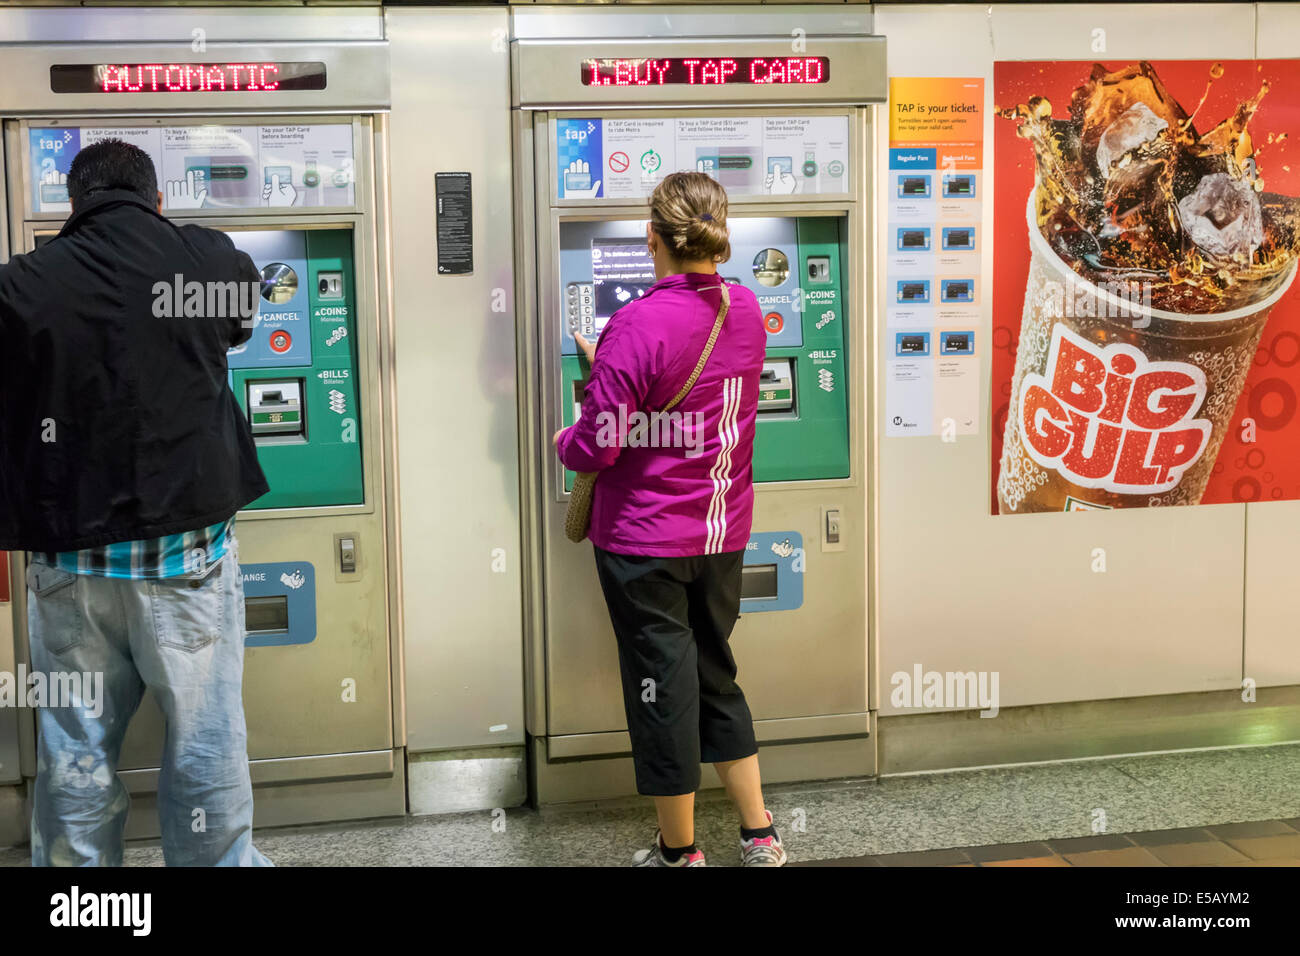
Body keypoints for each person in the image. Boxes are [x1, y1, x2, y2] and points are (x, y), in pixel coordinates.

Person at [0, 139, 272, 866]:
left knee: (76, 751)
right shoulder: (209, 262)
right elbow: (242, 322)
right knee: (205, 745)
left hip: (71, 573)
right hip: (187, 567)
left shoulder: (23, 283)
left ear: (72, 204)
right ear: (156, 200)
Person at [554, 171, 784, 866]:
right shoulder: (747, 308)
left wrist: (567, 434)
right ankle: (759, 835)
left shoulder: (634, 324)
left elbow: (597, 444)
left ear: (651, 237)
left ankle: (679, 852)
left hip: (646, 542)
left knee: (661, 689)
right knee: (715, 673)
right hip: (721, 533)